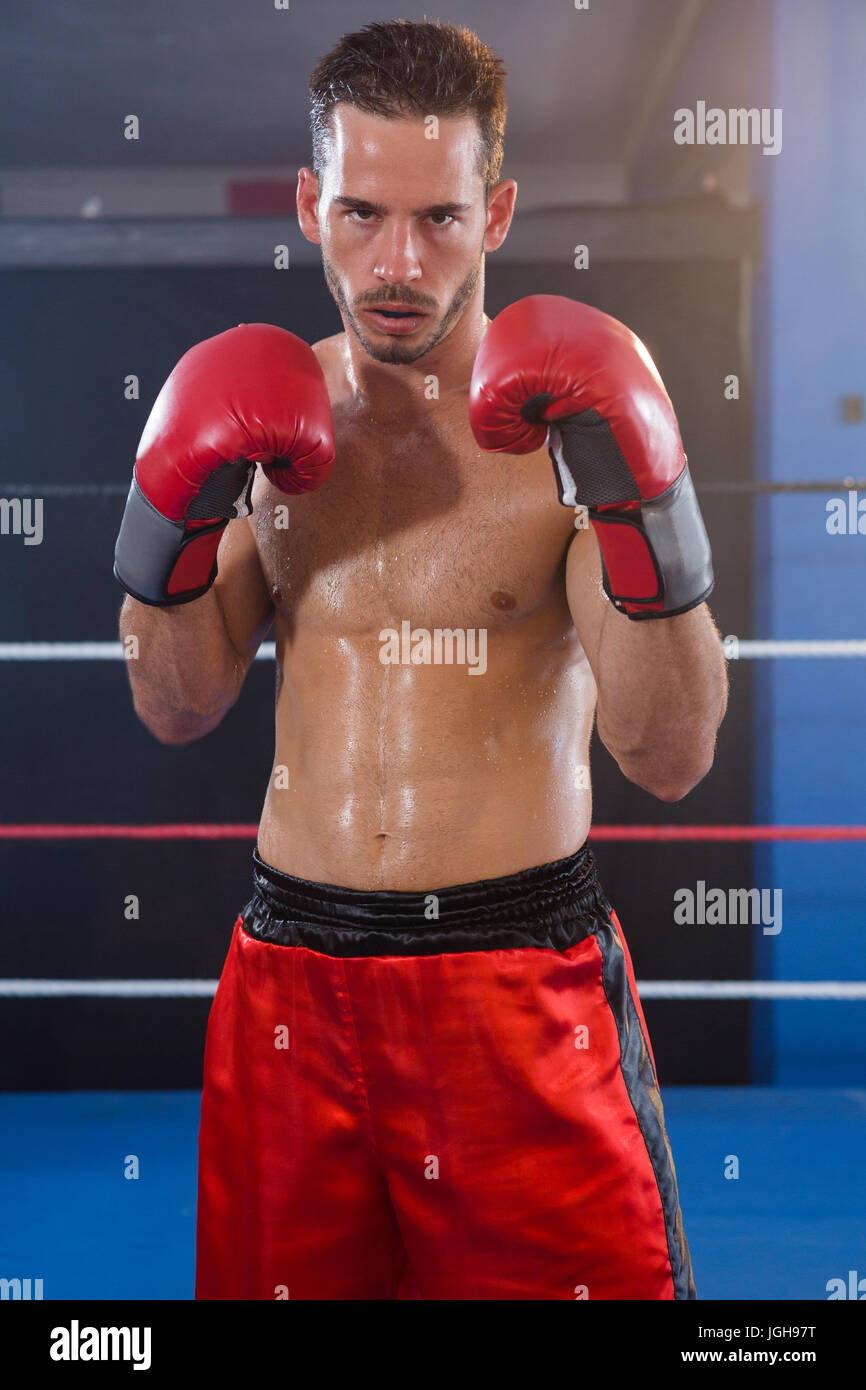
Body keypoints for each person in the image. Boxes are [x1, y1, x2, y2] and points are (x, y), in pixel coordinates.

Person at [115, 19, 727, 1300]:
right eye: (362, 214)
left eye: (440, 219)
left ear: (497, 211)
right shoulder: (269, 422)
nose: (397, 263)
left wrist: (636, 505)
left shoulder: (568, 425)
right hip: (288, 975)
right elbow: (177, 707)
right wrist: (162, 522)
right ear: (308, 203)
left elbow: (667, 757)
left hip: (512, 984)